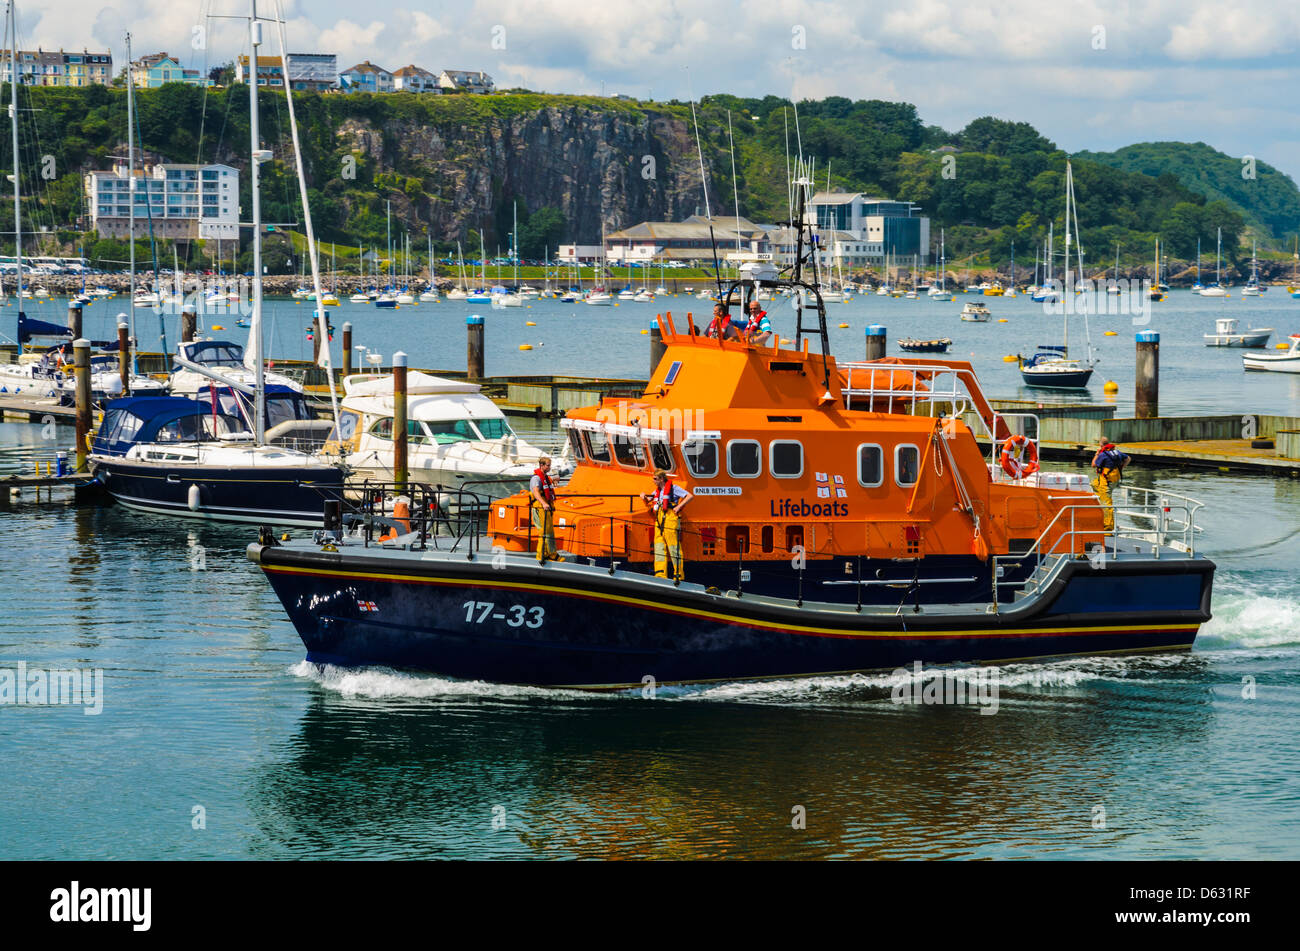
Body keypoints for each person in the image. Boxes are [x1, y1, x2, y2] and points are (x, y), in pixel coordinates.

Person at [639, 468, 691, 581]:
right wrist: (644, 497)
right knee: (659, 547)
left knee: (673, 548)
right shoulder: (657, 491)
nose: (653, 481)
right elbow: (650, 500)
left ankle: (678, 575)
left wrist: (678, 506)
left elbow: (689, 496)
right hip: (659, 520)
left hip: (670, 519)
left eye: (655, 479)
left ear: (661, 479)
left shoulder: (673, 488)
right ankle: (660, 574)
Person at [1091, 439, 1130, 532]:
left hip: (1107, 482)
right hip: (1114, 480)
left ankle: (1108, 528)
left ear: (1101, 446)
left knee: (1106, 504)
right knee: (1093, 484)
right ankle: (1100, 499)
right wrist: (1122, 467)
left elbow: (1093, 464)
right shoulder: (1117, 452)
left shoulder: (1103, 455)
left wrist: (1096, 454)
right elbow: (1128, 458)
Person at [529, 455, 563, 562]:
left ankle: (551, 554)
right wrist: (544, 503)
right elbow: (535, 492)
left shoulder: (545, 477)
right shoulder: (536, 478)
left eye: (550, 465)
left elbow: (549, 482)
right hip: (540, 508)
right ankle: (541, 556)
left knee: (549, 532)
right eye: (548, 465)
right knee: (543, 532)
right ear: (542, 465)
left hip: (547, 510)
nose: (549, 467)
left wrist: (555, 480)